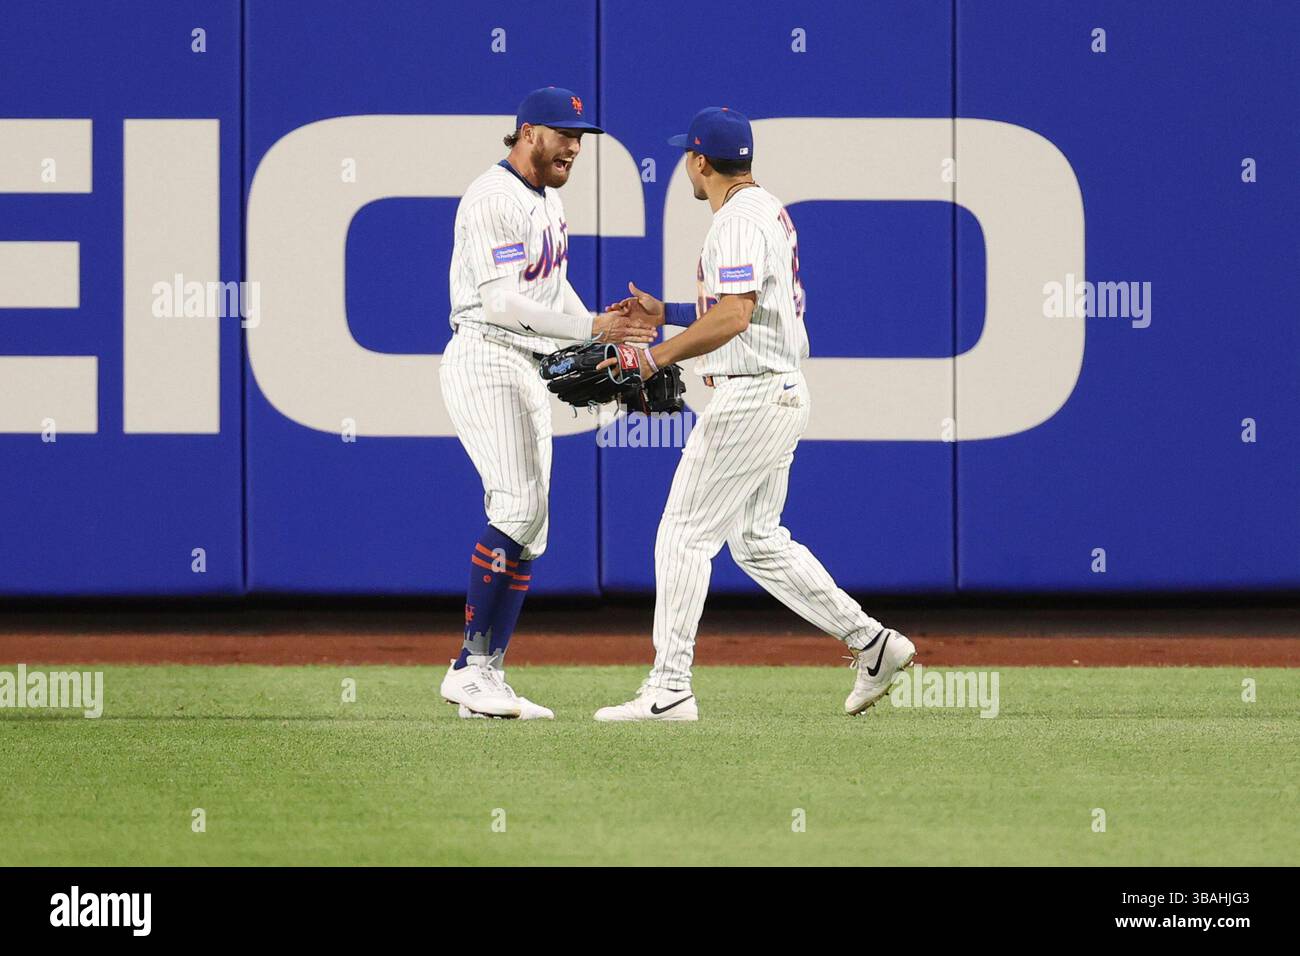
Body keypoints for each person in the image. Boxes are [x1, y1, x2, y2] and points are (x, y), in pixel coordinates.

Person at [594, 107, 915, 722]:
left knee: (683, 533)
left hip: (754, 396)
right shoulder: (764, 207)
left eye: (685, 157)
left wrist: (655, 358)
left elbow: (736, 316)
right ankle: (873, 644)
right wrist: (666, 314)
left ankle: (669, 688)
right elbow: (749, 313)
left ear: (699, 161)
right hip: (778, 389)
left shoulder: (735, 221)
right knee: (756, 541)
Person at [439, 87, 656, 719]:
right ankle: (469, 669)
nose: (574, 145)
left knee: (532, 528)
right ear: (527, 131)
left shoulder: (549, 202)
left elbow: (552, 291)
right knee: (517, 506)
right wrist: (592, 330)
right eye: (563, 133)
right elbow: (502, 304)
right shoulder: (492, 197)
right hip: (485, 353)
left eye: (581, 135)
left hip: (524, 363)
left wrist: (601, 325)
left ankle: (484, 675)